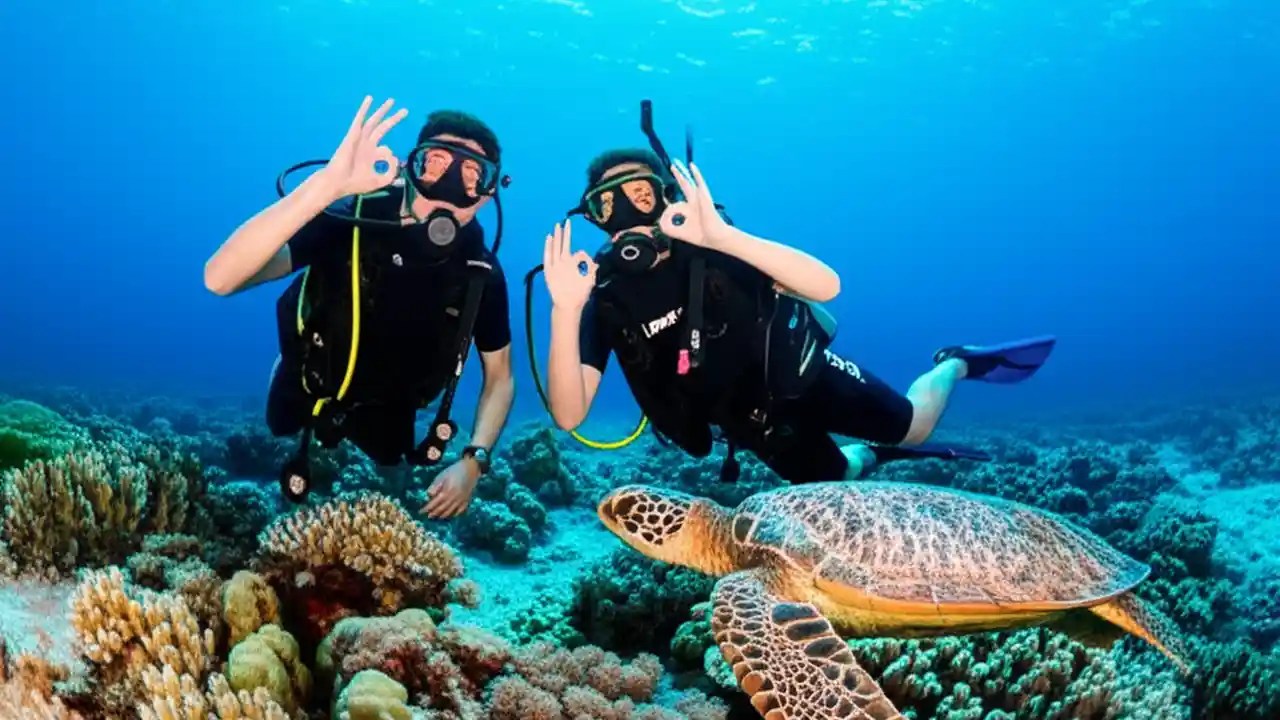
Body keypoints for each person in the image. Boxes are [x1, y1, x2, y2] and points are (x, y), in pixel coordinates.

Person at [540, 147, 1053, 483]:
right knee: (841, 478)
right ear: (595, 219)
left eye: (641, 195)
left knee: (914, 427)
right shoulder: (602, 298)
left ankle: (954, 362)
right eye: (610, 205)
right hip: (750, 422)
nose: (628, 215)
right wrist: (565, 311)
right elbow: (569, 416)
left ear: (666, 198)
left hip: (807, 375)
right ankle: (877, 455)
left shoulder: (712, 248)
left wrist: (723, 237)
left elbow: (827, 285)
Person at [204, 96, 515, 517]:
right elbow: (220, 279)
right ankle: (286, 370)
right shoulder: (350, 219)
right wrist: (325, 187)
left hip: (393, 405)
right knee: (280, 427)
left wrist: (473, 462)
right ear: (409, 167)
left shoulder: (483, 273)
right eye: (436, 163)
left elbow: (500, 376)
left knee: (394, 471)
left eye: (471, 174)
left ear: (486, 194)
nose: (447, 186)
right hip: (311, 380)